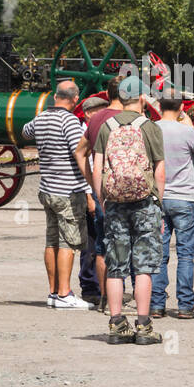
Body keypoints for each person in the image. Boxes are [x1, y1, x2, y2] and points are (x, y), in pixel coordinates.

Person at [93, 75, 165, 345]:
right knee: (143, 266)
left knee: (116, 265)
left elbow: (98, 166)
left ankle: (116, 325)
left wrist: (103, 200)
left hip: (114, 203)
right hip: (145, 202)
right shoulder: (150, 127)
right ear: (142, 99)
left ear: (121, 99)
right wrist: (158, 202)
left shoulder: (105, 126)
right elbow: (160, 169)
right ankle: (144, 327)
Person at [22, 80, 94, 310]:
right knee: (68, 243)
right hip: (68, 191)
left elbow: (25, 132)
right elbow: (79, 155)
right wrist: (91, 189)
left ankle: (53, 292)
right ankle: (65, 293)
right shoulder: (71, 121)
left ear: (55, 97)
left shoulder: (41, 117)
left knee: (51, 240)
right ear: (75, 100)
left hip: (47, 189)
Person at [150, 98, 194, 318]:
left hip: (158, 197)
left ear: (159, 107)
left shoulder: (150, 129)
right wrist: (190, 125)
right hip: (184, 198)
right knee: (186, 255)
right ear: (181, 108)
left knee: (159, 254)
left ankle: (157, 304)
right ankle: (185, 305)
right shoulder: (186, 132)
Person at [74, 77, 125, 302]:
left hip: (102, 190)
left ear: (107, 93)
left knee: (102, 246)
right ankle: (118, 295)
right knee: (126, 247)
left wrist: (93, 186)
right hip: (127, 191)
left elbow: (79, 153)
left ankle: (105, 297)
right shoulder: (133, 119)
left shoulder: (95, 122)